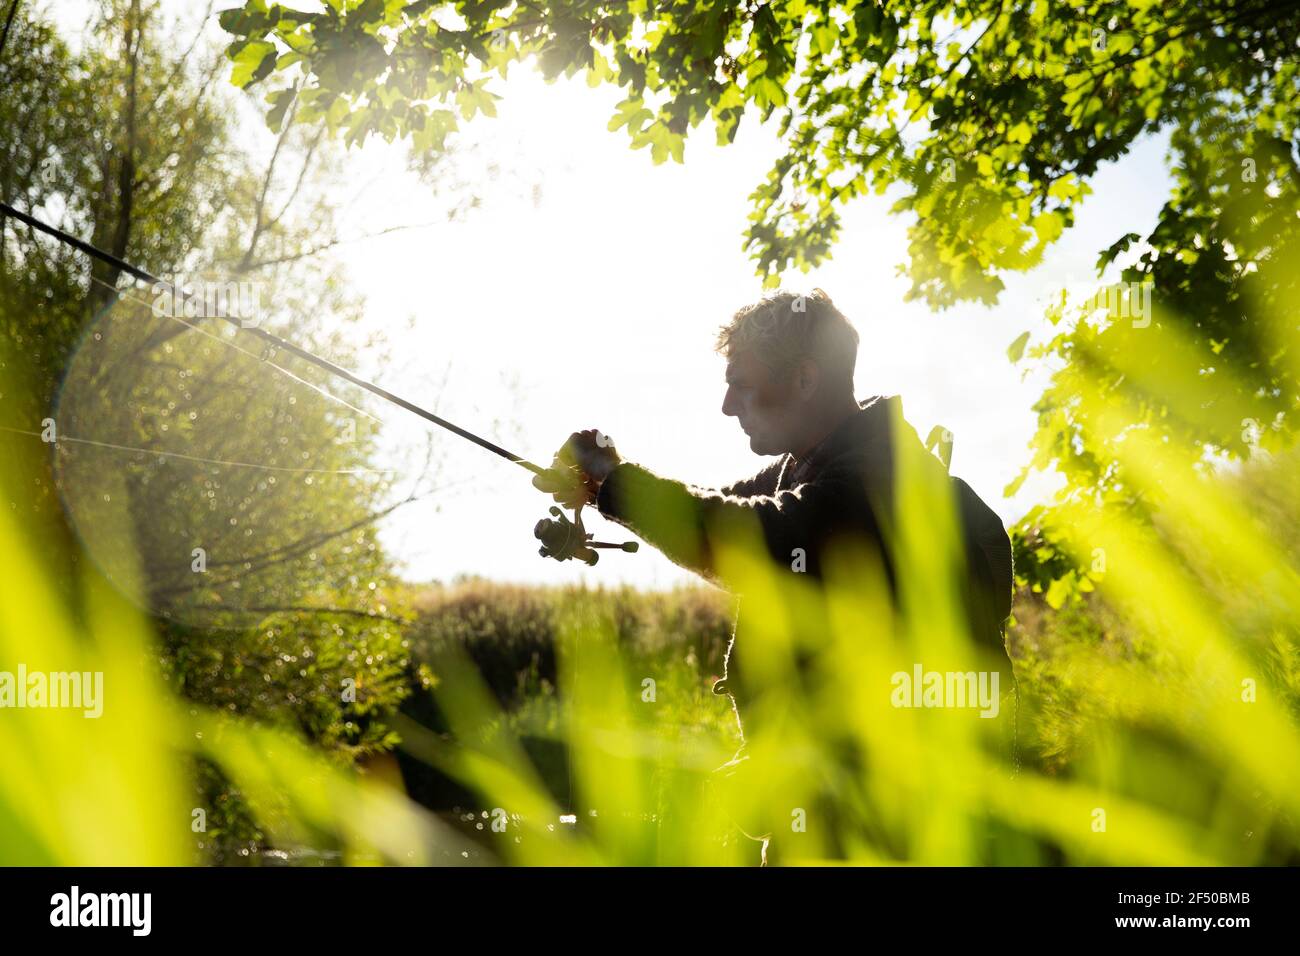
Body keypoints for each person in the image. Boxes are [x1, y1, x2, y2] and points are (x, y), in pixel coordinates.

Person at [534, 289, 1015, 863]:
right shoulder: (814, 466)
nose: (727, 405)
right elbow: (712, 508)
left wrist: (613, 481)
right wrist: (605, 484)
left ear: (805, 380)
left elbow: (757, 538)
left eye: (740, 382)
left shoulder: (879, 473)